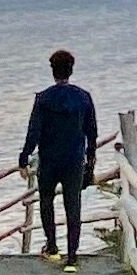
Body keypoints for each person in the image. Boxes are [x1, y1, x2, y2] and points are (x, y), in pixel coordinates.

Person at [19, 47, 100, 263]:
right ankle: (72, 255)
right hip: (74, 159)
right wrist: (90, 161)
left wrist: (23, 157)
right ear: (71, 70)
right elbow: (92, 133)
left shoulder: (43, 99)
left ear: (53, 71)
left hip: (49, 159)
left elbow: (34, 131)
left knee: (46, 201)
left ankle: (52, 246)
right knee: (73, 205)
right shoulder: (83, 98)